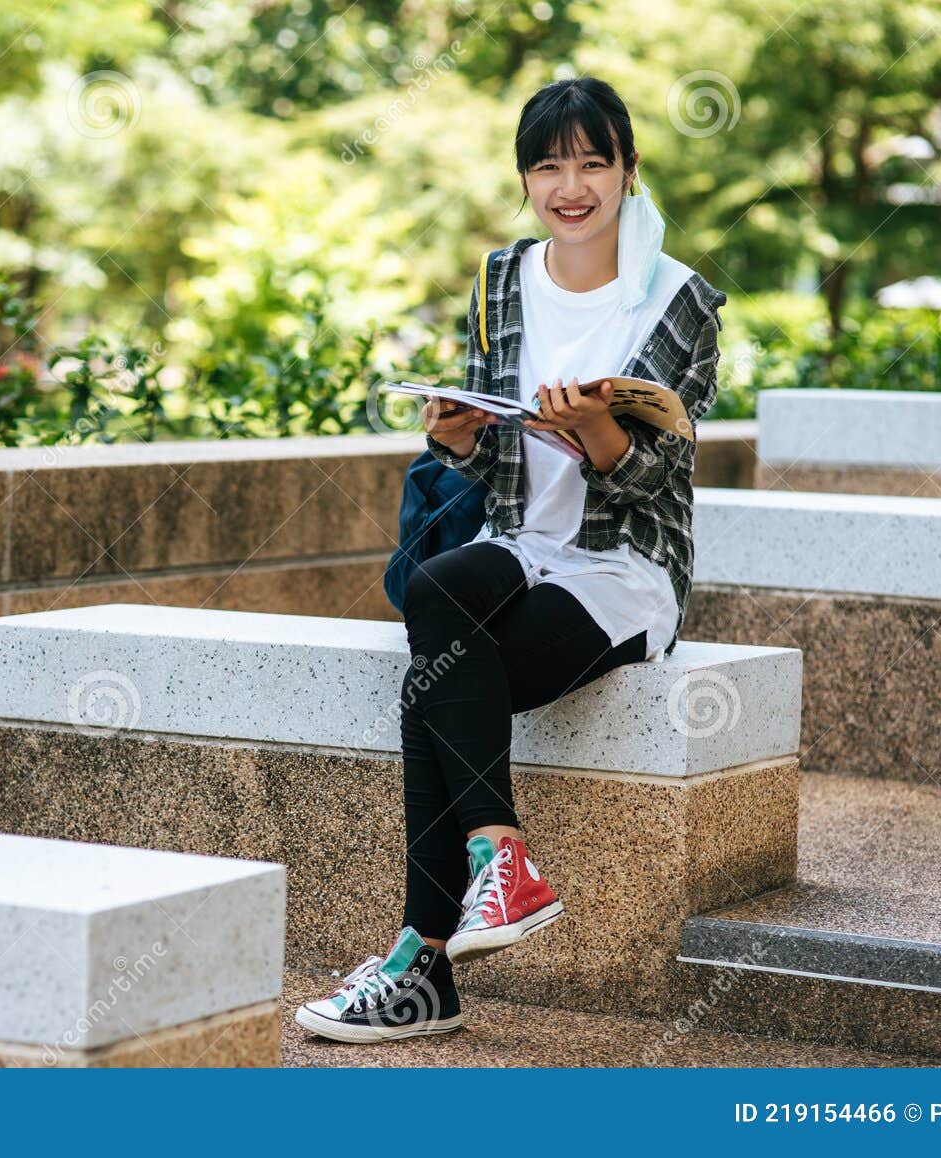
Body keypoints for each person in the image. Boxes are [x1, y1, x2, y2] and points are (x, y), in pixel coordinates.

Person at [295, 75, 727, 1044]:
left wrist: (600, 438)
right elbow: (493, 445)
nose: (569, 186)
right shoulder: (502, 280)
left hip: (621, 568)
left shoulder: (679, 301)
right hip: (518, 541)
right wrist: (455, 435)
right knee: (442, 590)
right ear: (525, 179)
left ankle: (422, 962)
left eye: (590, 163)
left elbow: (658, 481)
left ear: (627, 170)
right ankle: (502, 861)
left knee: (432, 685)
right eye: (546, 165)